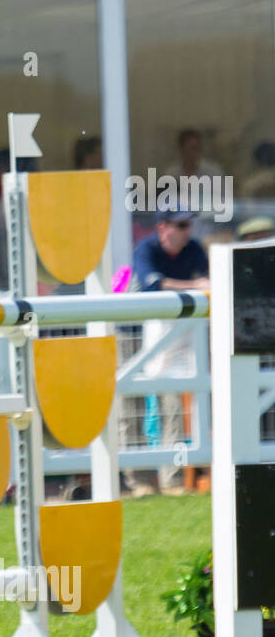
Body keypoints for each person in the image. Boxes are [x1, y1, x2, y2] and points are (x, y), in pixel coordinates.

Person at [130, 208, 209, 495]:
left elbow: (209, 281)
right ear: (163, 227)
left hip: (171, 334)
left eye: (189, 225)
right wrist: (194, 286)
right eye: (181, 225)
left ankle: (172, 478)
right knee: (130, 408)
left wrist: (197, 285)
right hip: (130, 336)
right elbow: (153, 284)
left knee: (174, 402)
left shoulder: (194, 248)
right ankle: (139, 483)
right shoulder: (146, 248)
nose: (187, 230)